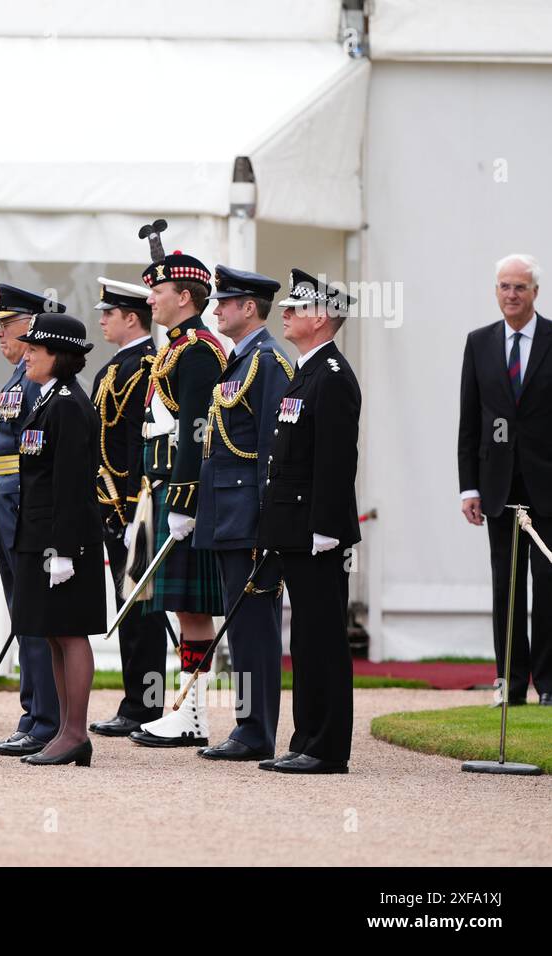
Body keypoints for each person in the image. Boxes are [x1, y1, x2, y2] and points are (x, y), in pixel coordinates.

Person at [126, 223, 228, 749]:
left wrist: (184, 499)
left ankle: (193, 713)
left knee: (193, 608)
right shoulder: (176, 349)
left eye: (158, 291)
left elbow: (197, 431)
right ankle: (187, 712)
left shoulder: (200, 352)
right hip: (162, 487)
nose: (151, 298)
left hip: (185, 492)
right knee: (183, 608)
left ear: (184, 296)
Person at [257, 269, 361, 774]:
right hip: (296, 528)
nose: (286, 314)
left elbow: (336, 461)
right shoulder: (306, 371)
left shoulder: (334, 377)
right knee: (305, 640)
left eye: (295, 309)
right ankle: (306, 738)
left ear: (320, 318)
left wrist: (325, 527)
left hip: (319, 531)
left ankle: (327, 747)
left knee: (323, 638)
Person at [194, 266, 292, 762]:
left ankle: (256, 730)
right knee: (243, 627)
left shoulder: (267, 362)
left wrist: (267, 525)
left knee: (254, 627)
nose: (216, 309)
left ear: (248, 308)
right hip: (229, 514)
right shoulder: (242, 360)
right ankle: (247, 724)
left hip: (249, 518)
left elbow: (276, 450)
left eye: (225, 302)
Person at [11, 312, 106, 766]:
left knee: (70, 633)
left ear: (59, 356)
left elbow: (71, 483)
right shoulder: (48, 399)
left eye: (36, 348)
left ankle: (75, 731)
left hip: (64, 540)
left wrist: (65, 552)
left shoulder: (68, 404)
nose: (26, 353)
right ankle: (66, 732)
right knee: (52, 634)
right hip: (40, 536)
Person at [459, 254, 552, 707]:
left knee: (549, 587)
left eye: (519, 287)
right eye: (504, 287)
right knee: (507, 588)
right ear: (495, 291)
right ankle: (510, 683)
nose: (511, 295)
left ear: (535, 292)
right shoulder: (479, 343)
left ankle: (549, 684)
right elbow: (469, 422)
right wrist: (468, 487)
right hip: (497, 488)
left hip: (547, 489)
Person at [0, 284, 61, 758]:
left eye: (6, 324)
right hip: (7, 507)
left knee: (33, 621)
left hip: (23, 510)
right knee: (23, 616)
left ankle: (43, 719)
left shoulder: (34, 379)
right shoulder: (20, 377)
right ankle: (33, 715)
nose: (0, 334)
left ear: (31, 326)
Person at [87, 277, 170, 739]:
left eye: (109, 313)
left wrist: (129, 507)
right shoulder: (121, 366)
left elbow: (133, 444)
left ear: (131, 318)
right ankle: (137, 701)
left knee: (140, 610)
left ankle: (144, 705)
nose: (102, 319)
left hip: (132, 507)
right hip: (114, 504)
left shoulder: (142, 368)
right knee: (131, 609)